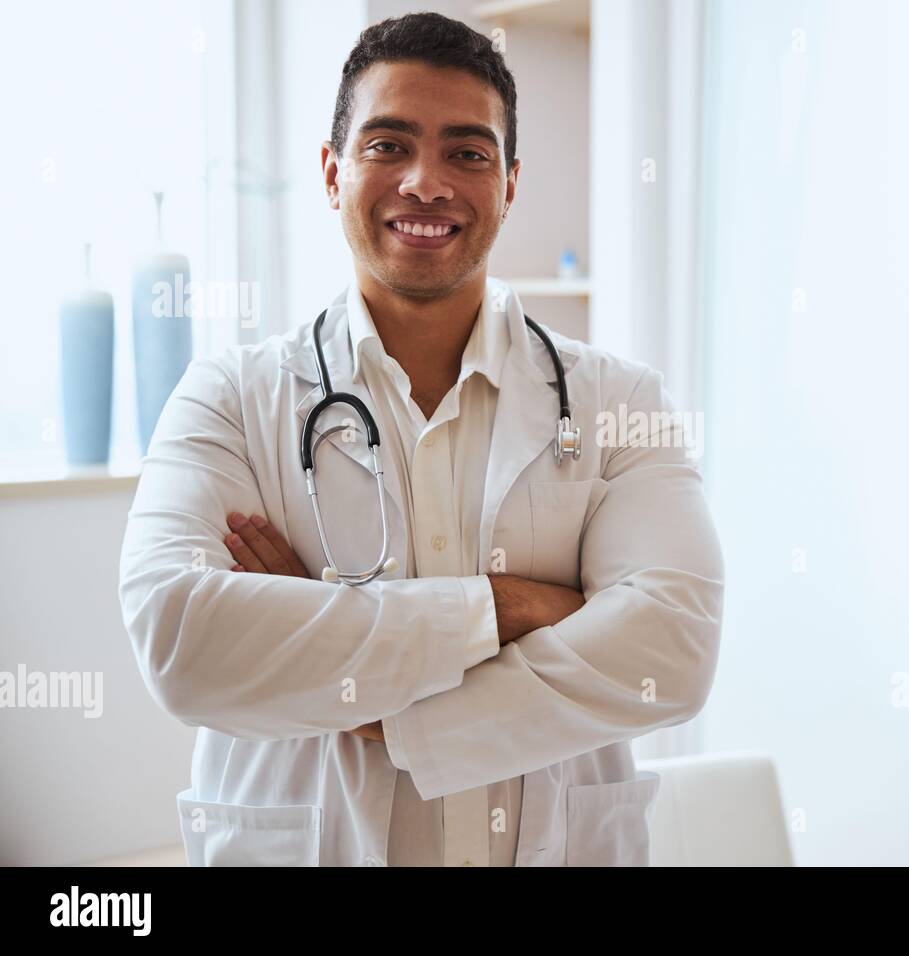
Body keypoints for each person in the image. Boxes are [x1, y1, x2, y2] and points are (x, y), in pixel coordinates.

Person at [118, 10, 724, 867]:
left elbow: (674, 649)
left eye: (468, 153)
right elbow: (181, 642)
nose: (425, 183)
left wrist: (366, 696)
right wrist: (513, 609)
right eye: (388, 145)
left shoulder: (620, 401)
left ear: (511, 184)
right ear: (332, 174)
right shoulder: (228, 401)